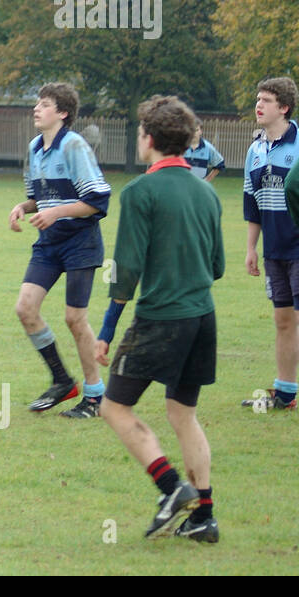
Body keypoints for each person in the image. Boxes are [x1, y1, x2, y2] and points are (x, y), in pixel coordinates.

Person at [94, 96, 224, 541]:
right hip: (202, 317)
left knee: (113, 406)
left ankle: (171, 488)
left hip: (160, 320)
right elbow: (218, 266)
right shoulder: (207, 191)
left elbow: (126, 270)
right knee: (182, 414)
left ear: (148, 138)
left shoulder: (139, 192)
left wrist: (107, 331)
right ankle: (204, 517)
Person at [8, 83, 111, 418]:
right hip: (49, 243)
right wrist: (24, 207)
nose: (37, 109)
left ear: (63, 113)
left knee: (74, 318)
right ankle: (62, 380)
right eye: (36, 103)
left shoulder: (74, 145)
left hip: (80, 242)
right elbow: (44, 196)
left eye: (45, 104)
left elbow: (97, 200)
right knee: (25, 308)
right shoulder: (35, 148)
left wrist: (55, 212)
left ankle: (95, 396)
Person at [239, 77, 299, 412]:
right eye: (258, 98)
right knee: (282, 319)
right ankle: (285, 393)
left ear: (283, 107)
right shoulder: (254, 150)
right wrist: (252, 248)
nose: (259, 105)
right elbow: (251, 203)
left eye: (266, 100)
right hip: (274, 249)